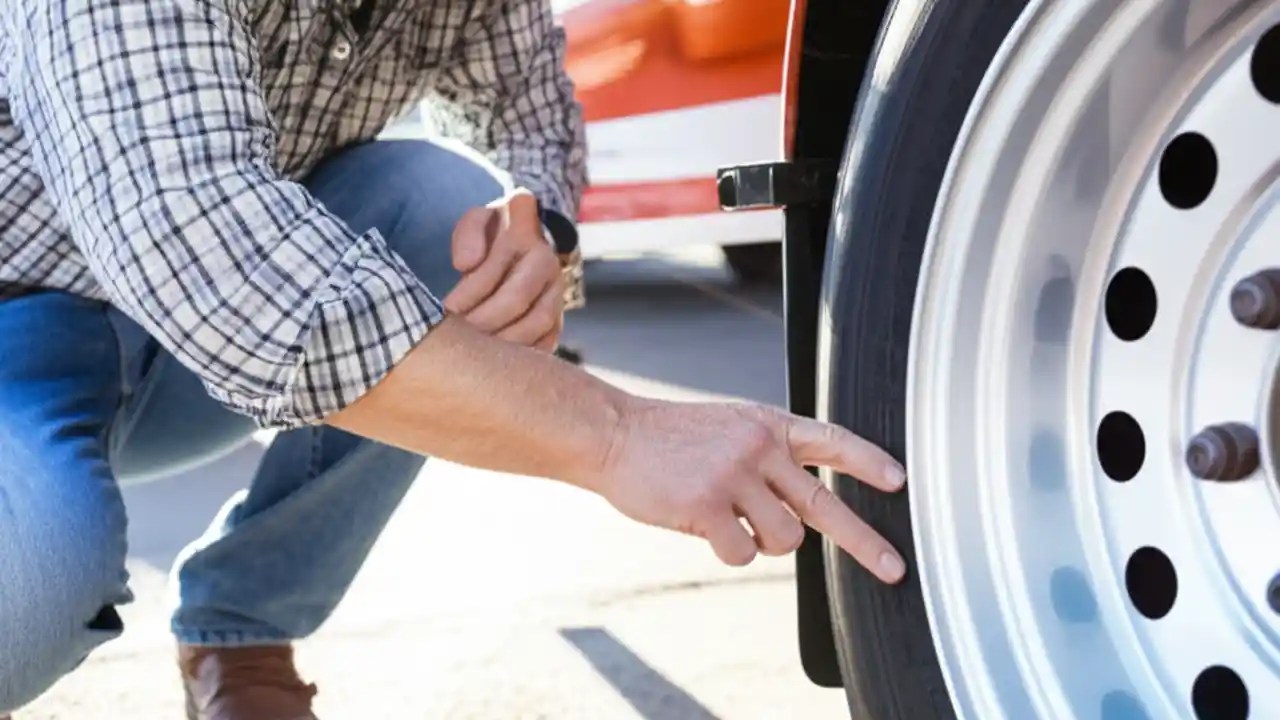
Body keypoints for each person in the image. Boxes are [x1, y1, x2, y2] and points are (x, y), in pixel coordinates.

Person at [0, 1, 907, 718]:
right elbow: (202, 244)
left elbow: (532, 112)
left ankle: (238, 628)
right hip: (22, 321)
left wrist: (538, 229)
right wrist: (617, 432)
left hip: (191, 350)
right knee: (32, 600)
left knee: (451, 213)